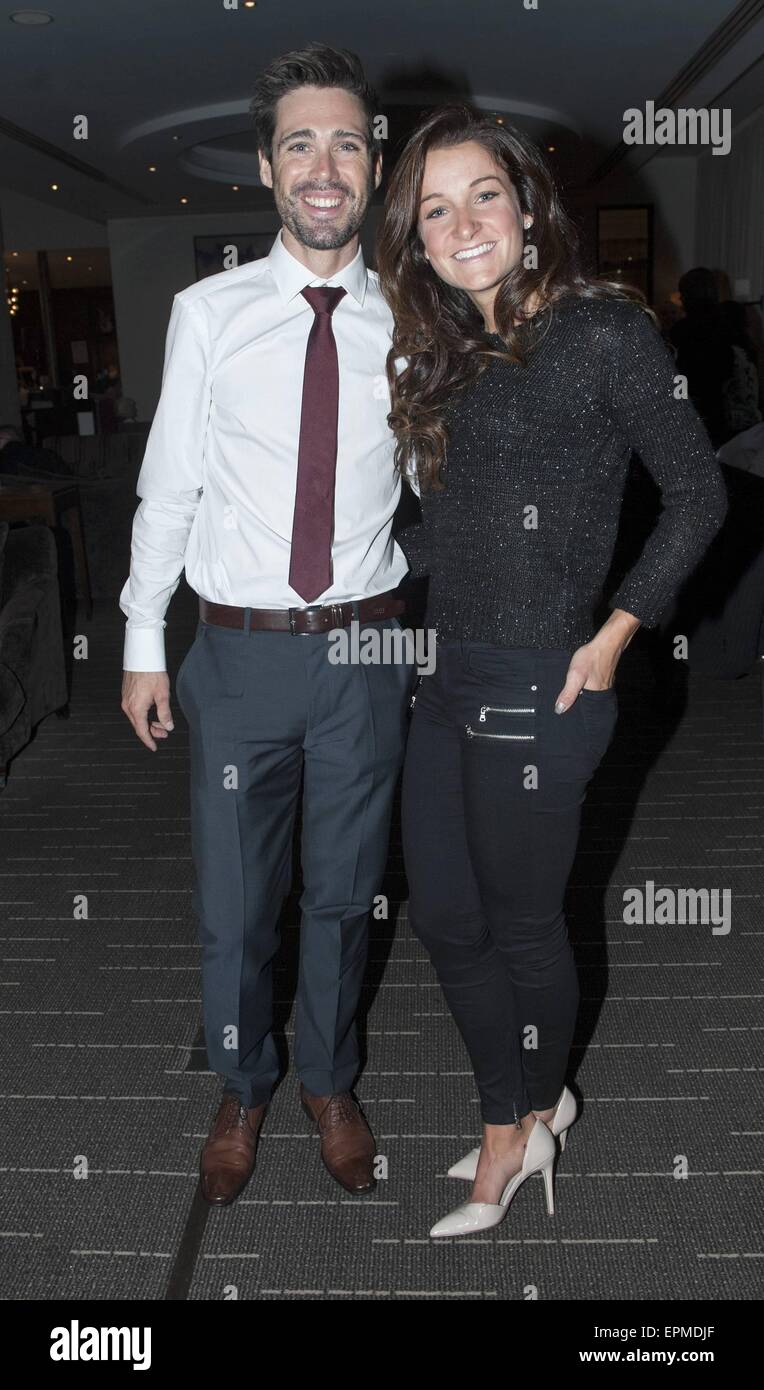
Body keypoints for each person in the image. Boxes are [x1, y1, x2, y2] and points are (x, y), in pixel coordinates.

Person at [377, 106, 728, 1238]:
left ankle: (515, 1127)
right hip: (448, 675)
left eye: (483, 193)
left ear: (528, 208)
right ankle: (524, 1103)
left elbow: (698, 492)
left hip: (548, 682)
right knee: (441, 914)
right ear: (416, 237)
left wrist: (615, 630)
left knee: (521, 926)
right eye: (433, 207)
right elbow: (444, 538)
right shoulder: (441, 353)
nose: (460, 221)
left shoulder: (601, 332)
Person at [120, 44, 413, 1206]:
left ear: (375, 162)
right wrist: (145, 639)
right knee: (237, 898)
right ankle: (244, 1082)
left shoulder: (412, 316)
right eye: (300, 142)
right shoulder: (209, 312)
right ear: (265, 166)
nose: (324, 164)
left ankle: (327, 1080)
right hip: (234, 654)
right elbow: (169, 485)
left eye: (346, 139)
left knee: (345, 892)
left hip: (363, 654)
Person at [669, 267, 735, 447]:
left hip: (691, 411)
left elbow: (675, 375)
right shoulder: (728, 327)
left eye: (683, 294)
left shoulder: (680, 331)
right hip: (720, 411)